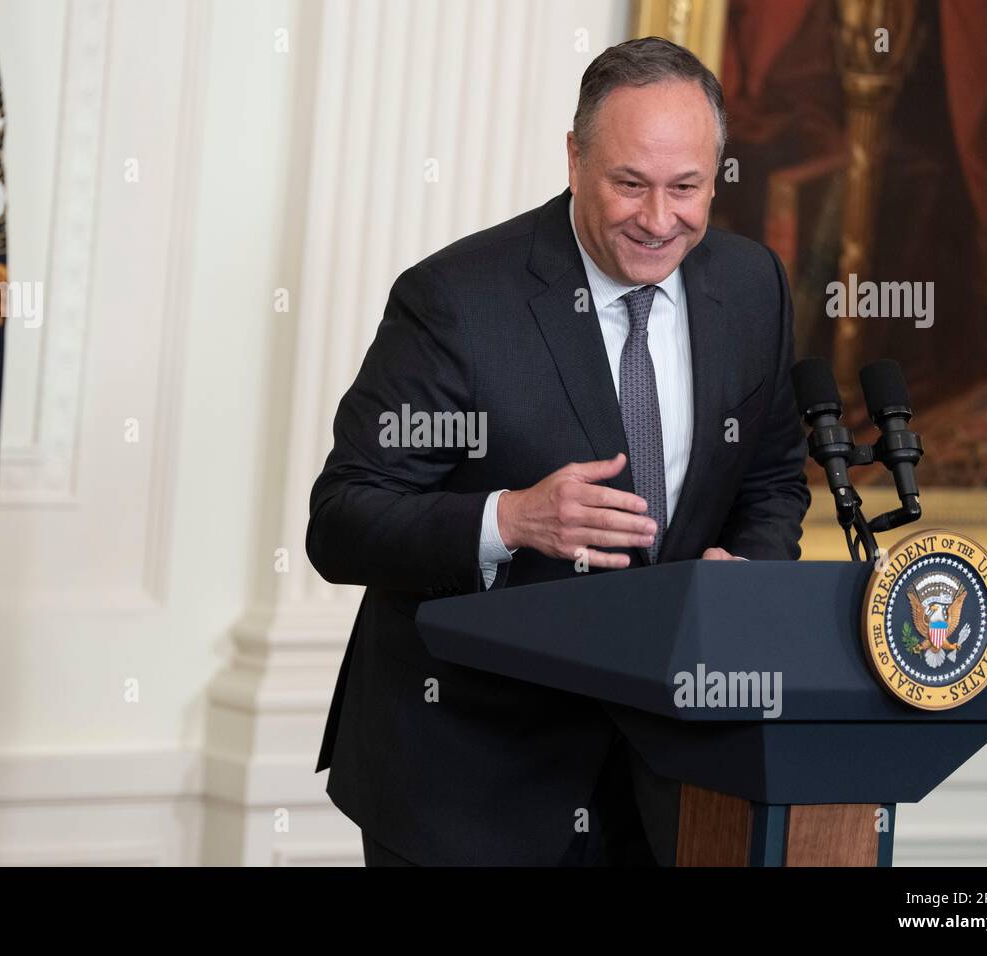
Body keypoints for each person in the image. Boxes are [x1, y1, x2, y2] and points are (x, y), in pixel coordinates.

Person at [307, 36, 810, 866]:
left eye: (687, 187)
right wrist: (510, 519)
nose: (660, 219)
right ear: (574, 159)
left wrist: (746, 575)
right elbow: (343, 521)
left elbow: (771, 476)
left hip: (670, 780)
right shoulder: (457, 300)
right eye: (629, 184)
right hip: (471, 788)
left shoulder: (753, 285)